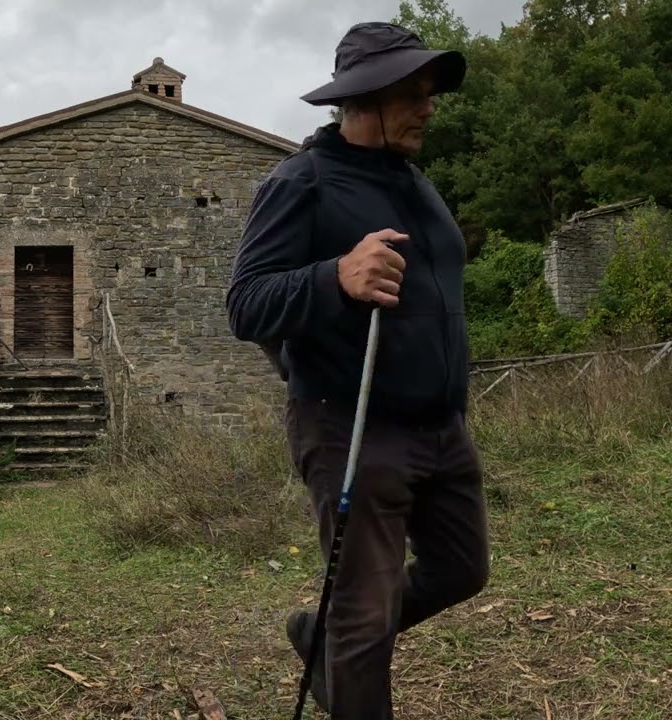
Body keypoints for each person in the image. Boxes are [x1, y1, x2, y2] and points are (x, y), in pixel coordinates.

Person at [225, 21, 491, 719]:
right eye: (413, 91)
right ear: (365, 97)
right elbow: (246, 304)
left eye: (430, 90)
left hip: (441, 426)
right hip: (351, 426)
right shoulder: (301, 181)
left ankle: (323, 635)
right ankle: (345, 646)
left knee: (463, 569)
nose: (429, 106)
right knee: (366, 622)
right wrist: (334, 278)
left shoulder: (413, 182)